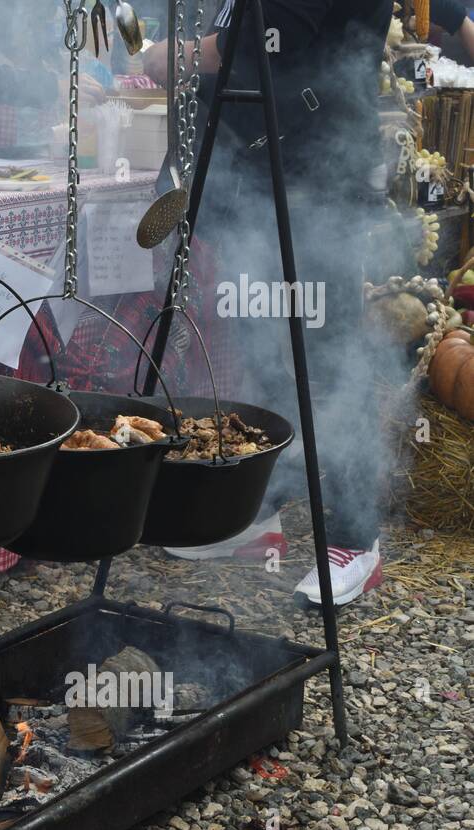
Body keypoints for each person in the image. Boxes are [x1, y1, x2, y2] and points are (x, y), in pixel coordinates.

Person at [143, 0, 393, 606]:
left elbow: (257, 40)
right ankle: (258, 510)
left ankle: (356, 537)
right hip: (254, 167)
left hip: (317, 175)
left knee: (331, 359)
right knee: (257, 346)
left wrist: (169, 55)